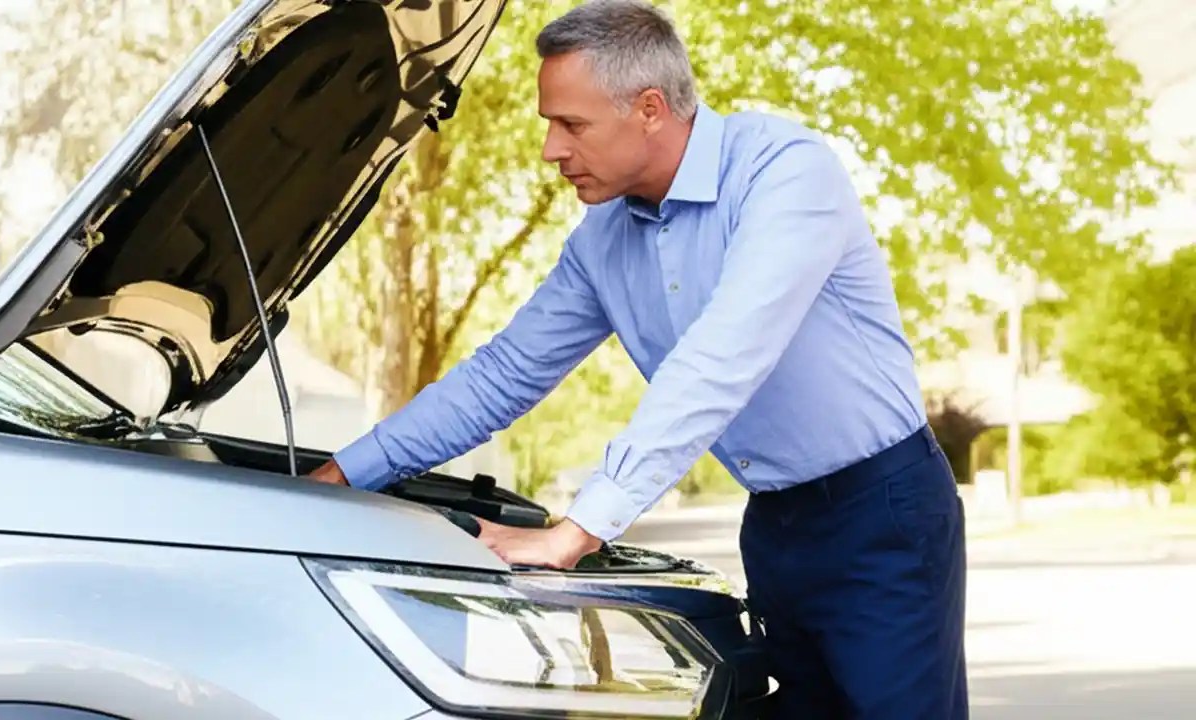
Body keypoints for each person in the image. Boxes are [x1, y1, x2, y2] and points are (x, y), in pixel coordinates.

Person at [309, 0, 967, 717]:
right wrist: (343, 474)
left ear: (650, 108)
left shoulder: (784, 174)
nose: (551, 151)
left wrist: (578, 529)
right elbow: (502, 376)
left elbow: (724, 357)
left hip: (883, 514)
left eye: (572, 125)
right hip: (775, 526)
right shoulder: (604, 241)